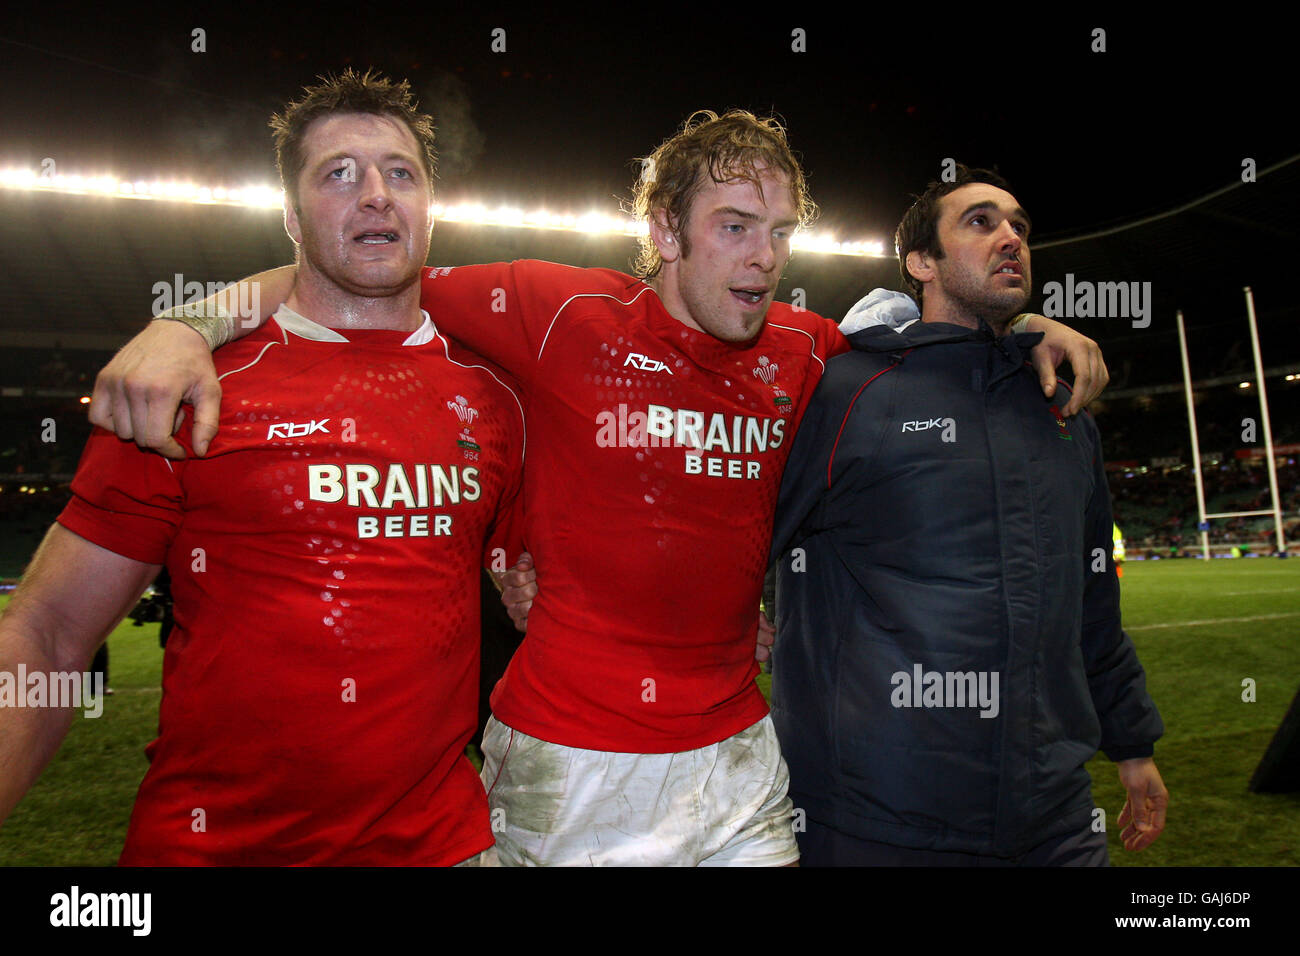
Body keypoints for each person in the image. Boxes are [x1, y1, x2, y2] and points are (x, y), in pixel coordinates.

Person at [87, 111, 1109, 865]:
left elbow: (921, 340)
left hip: (742, 755)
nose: (762, 260)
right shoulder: (554, 309)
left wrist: (1025, 331)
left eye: (779, 231)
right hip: (573, 759)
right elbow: (355, 277)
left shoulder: (802, 347)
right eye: (732, 227)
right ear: (665, 230)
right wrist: (192, 321)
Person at [0, 70, 525, 866]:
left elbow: (548, 574)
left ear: (429, 208)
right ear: (289, 216)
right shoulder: (186, 385)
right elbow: (49, 631)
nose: (376, 193)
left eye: (401, 172)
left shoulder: (494, 396)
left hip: (442, 848)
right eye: (338, 173)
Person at [769, 165, 1167, 866]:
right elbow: (738, 535)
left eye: (1020, 226)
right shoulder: (843, 393)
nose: (1010, 236)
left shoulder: (1061, 407)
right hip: (880, 821)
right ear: (921, 261)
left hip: (1056, 821)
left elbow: (1094, 604)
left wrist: (1131, 744)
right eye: (981, 222)